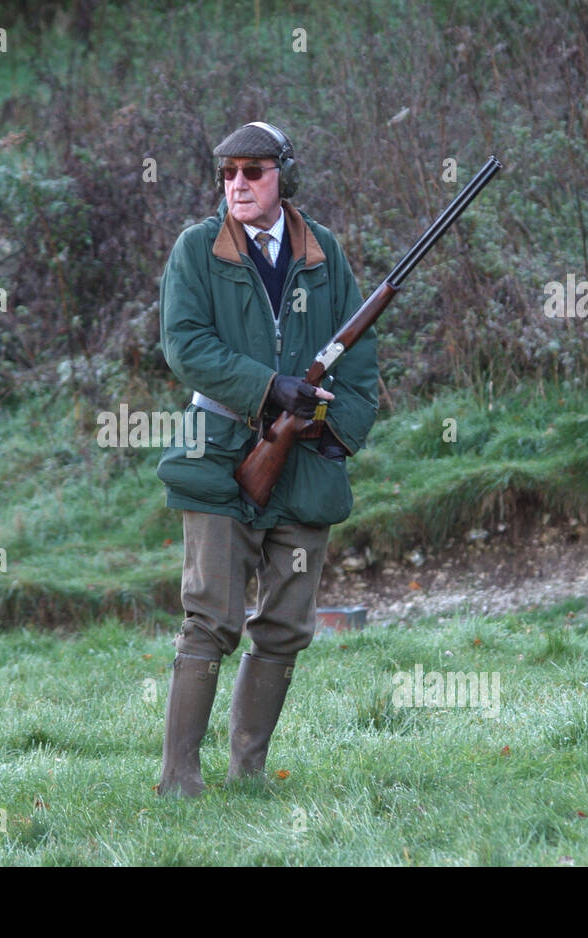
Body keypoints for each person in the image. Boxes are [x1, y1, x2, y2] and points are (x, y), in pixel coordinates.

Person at [155, 121, 380, 797]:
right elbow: (184, 346)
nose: (238, 185)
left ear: (285, 175)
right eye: (228, 173)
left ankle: (248, 775)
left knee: (285, 626)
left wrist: (335, 432)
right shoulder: (198, 250)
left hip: (306, 460)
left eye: (253, 171)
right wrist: (266, 387)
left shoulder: (323, 253)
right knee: (210, 619)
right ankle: (179, 781)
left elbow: (360, 358)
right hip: (219, 453)